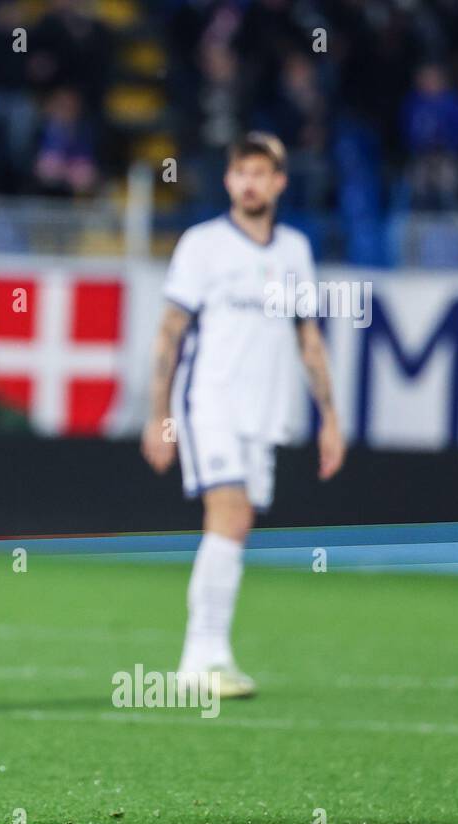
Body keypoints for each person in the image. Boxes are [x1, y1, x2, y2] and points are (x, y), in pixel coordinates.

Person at [141, 132, 346, 698]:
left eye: (262, 173)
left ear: (279, 182)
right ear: (229, 180)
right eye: (241, 172)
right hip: (209, 403)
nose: (250, 182)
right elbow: (169, 333)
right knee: (228, 513)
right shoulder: (203, 245)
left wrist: (330, 418)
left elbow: (310, 340)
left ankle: (214, 654)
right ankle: (198, 658)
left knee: (239, 522)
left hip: (264, 411)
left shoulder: (294, 252)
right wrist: (158, 414)